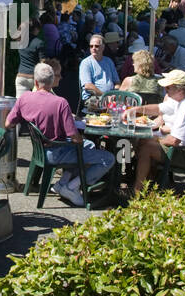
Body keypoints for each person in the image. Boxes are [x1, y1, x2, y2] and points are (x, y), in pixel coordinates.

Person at [8, 62, 115, 207]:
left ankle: (63, 183)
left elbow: (9, 124)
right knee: (108, 158)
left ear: (35, 82)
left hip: (40, 151)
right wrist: (79, 140)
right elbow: (74, 136)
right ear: (52, 81)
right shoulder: (60, 103)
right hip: (57, 152)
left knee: (88, 145)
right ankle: (73, 186)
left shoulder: (24, 98)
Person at [128, 69, 185, 190]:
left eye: (168, 87)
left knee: (147, 148)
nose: (165, 90)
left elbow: (174, 141)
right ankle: (150, 182)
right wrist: (136, 109)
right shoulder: (180, 100)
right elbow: (158, 108)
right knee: (144, 141)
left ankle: (137, 190)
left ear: (179, 89)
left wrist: (156, 139)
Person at [78, 34, 120, 110]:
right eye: (91, 46)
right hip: (93, 97)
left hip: (111, 96)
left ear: (103, 47)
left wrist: (116, 94)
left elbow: (117, 82)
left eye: (96, 46)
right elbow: (88, 86)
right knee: (106, 105)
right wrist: (105, 96)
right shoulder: (86, 63)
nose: (93, 48)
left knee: (125, 104)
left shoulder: (108, 61)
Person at [14, 18, 47, 98]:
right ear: (35, 29)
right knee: (37, 105)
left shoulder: (20, 42)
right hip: (34, 78)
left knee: (20, 105)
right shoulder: (39, 43)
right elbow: (43, 63)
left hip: (21, 76)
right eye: (39, 29)